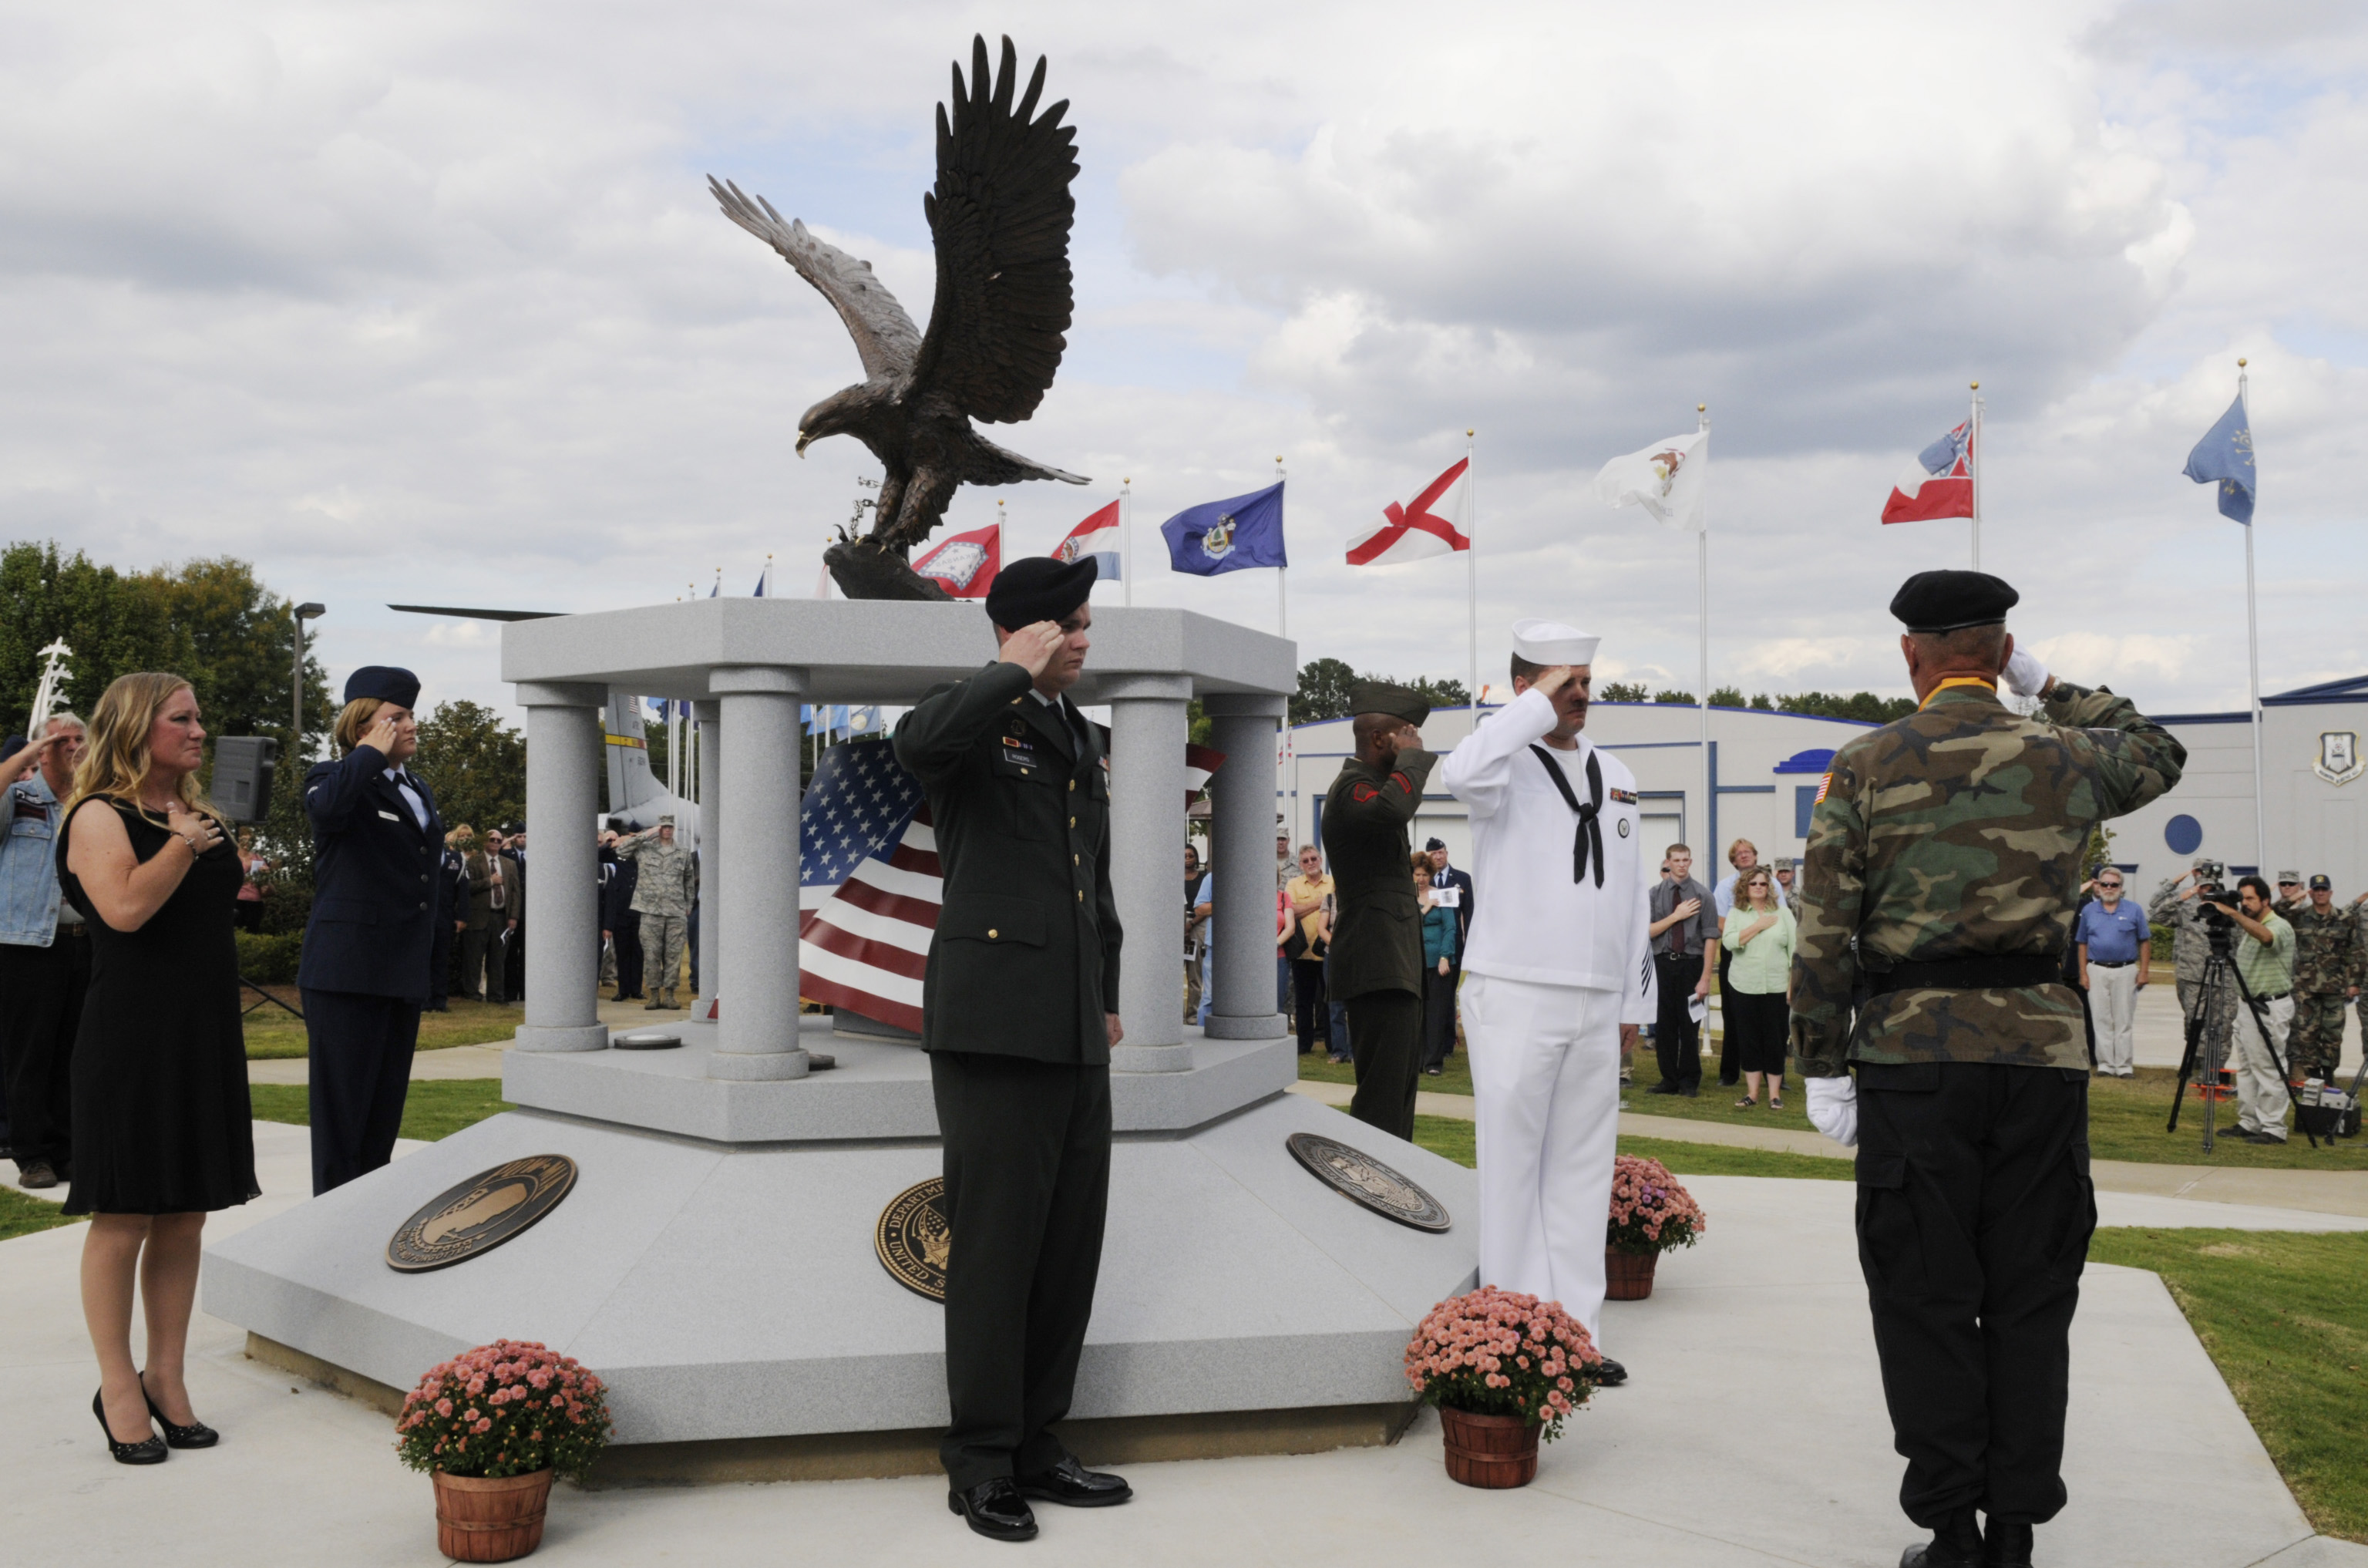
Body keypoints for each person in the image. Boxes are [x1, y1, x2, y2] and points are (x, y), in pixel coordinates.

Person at [1791, 570, 2183, 1568]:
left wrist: (1822, 1066)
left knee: (1923, 1293)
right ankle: (2014, 1526)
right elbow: (2159, 749)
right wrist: (2046, 681)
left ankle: (1951, 1528)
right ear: (2002, 649)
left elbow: (1826, 927)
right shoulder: (2064, 752)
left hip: (1913, 1061)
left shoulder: (1868, 762)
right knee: (2030, 1290)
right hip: (2040, 1058)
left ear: (1910, 653)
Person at [892, 554, 1130, 1543]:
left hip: (1073, 1021)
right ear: (1026, 631)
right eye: (1070, 623)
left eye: (1084, 623)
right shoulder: (973, 710)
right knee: (995, 1249)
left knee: (1068, 1245)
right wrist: (1011, 672)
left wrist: (1107, 994)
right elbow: (918, 747)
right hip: (994, 1020)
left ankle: (1039, 1442)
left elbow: (1092, 882)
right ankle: (982, 1460)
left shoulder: (1077, 732)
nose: (1084, 637)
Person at [1440, 617, 1653, 1390]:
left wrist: (1634, 998)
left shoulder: (1619, 771)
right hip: (1516, 989)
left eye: (1589, 685)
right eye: (1569, 686)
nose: (1582, 699)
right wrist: (1532, 704)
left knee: (1582, 1170)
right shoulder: (1500, 767)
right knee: (1513, 1166)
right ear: (1528, 688)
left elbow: (1630, 898)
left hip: (1597, 998)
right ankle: (1518, 1328)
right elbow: (1458, 770)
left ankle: (1577, 1334)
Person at [59, 672, 256, 1464]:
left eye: (200, 717)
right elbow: (126, 909)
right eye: (183, 718)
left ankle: (165, 1376)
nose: (199, 729)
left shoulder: (202, 816)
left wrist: (205, 846)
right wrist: (183, 844)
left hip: (203, 1034)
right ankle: (116, 1387)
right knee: (125, 1213)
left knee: (186, 1211)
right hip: (130, 1039)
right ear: (139, 727)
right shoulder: (97, 814)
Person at [298, 667, 446, 1196]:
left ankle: (364, 1224)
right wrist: (368, 753)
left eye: (411, 715)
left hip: (398, 972)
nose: (411, 725)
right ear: (364, 724)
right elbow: (329, 808)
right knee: (343, 1123)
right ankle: (332, 1232)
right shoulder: (333, 777)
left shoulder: (415, 788)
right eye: (397, 717)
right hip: (348, 971)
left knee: (381, 1121)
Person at [1320, 681, 1438, 1139]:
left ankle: (1391, 1192)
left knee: (1398, 1095)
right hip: (1376, 961)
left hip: (1394, 961)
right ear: (1378, 739)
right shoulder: (1351, 789)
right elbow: (1393, 809)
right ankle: (1369, 1197)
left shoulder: (1370, 785)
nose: (1416, 742)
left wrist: (1406, 758)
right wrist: (1412, 761)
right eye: (1406, 733)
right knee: (1381, 1099)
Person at [0, 712, 89, 1189]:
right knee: (29, 1052)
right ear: (41, 749)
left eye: (78, 739)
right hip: (27, 943)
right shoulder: (19, 796)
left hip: (84, 942)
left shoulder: (91, 803)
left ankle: (65, 1150)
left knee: (72, 1052)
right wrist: (26, 756)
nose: (71, 746)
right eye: (60, 740)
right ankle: (31, 1153)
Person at [2221, 874, 2296, 1145]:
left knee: (2268, 1067)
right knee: (2247, 1068)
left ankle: (2274, 1128)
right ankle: (2250, 1121)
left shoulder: (2279, 925)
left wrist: (2234, 914)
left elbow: (2267, 938)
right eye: (2242, 899)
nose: (2245, 904)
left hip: (2269, 1006)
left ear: (2266, 900)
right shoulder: (2249, 927)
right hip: (2247, 1006)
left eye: (2251, 898)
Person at [1646, 843, 1717, 1097]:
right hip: (1663, 963)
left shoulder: (1703, 895)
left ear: (1691, 861)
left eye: (1686, 859)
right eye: (1676, 860)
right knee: (1664, 1025)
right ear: (1668, 862)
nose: (1681, 864)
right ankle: (1669, 1079)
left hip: (1691, 964)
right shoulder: (1654, 895)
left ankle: (1689, 1080)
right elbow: (1648, 931)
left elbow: (1711, 937)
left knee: (1690, 1025)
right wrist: (1676, 916)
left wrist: (1705, 977)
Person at [1720, 863, 1794, 1109]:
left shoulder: (1783, 914)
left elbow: (1794, 952)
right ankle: (1752, 1094)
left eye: (1764, 883)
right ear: (1746, 887)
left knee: (1776, 1039)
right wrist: (1757, 926)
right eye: (1754, 884)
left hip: (1777, 986)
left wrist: (1792, 985)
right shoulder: (1737, 913)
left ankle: (1774, 1095)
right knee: (1749, 1040)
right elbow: (1730, 942)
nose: (1759, 887)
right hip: (1744, 986)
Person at [2150, 861, 2236, 1073]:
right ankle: (2197, 1064)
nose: (2206, 892)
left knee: (2222, 1025)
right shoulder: (2187, 907)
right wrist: (2182, 897)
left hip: (2223, 976)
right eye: (2202, 887)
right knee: (2194, 1022)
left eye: (2210, 888)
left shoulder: (2229, 908)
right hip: (2192, 976)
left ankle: (2216, 1069)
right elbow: (2157, 916)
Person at [2074, 870, 2149, 1077]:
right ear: (2098, 886)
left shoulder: (2134, 910)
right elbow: (2082, 943)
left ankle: (2124, 1066)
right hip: (2096, 969)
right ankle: (2106, 1064)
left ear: (2121, 887)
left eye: (2113, 885)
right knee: (2101, 1019)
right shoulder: (2089, 911)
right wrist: (2083, 973)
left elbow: (2144, 941)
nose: (2108, 888)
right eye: (2105, 884)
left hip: (2125, 970)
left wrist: (2143, 971)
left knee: (2123, 1020)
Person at [617, 816, 697, 1009]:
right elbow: (621, 850)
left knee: (673, 955)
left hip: (675, 912)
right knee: (651, 954)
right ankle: (654, 994)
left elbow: (688, 880)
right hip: (650, 911)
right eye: (663, 827)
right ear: (658, 829)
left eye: (670, 827)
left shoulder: (683, 852)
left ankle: (669, 994)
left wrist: (688, 904)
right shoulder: (645, 849)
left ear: (674, 829)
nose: (667, 830)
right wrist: (647, 834)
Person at [2286, 873, 2357, 1085]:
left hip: (2334, 988)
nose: (2320, 893)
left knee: (2333, 1035)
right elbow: (2274, 912)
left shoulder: (2345, 919)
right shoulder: (2299, 917)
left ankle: (2328, 1076)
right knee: (2307, 1035)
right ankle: (2313, 1077)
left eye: (2323, 889)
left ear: (2330, 892)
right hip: (2305, 989)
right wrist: (2294, 897)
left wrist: (2354, 982)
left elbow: (2356, 952)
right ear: (2311, 892)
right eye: (2315, 890)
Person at [1712, 837, 1762, 1085]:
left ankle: (1771, 1072)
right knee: (1732, 1014)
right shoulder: (1724, 887)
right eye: (1738, 853)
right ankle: (1729, 1073)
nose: (1744, 856)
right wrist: (1747, 935)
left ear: (1755, 856)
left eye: (1748, 852)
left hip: (1766, 954)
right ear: (1733, 860)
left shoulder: (1769, 883)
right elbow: (1720, 924)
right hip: (1734, 953)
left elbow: (1781, 917)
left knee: (1766, 1014)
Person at [1425, 837, 1475, 1060]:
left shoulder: (1462, 879)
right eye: (1433, 853)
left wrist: (1471, 945)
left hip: (1453, 945)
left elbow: (1470, 914)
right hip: (1429, 948)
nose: (1438, 856)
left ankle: (1447, 1044)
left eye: (1441, 852)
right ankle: (1431, 1042)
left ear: (1447, 853)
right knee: (1432, 997)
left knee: (1447, 996)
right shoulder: (1424, 880)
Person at [1284, 845, 1333, 1055]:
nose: (1311, 863)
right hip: (1302, 952)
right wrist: (1322, 902)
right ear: (1300, 865)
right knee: (1303, 1002)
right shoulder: (1293, 884)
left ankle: (1334, 1045)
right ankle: (1304, 1045)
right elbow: (1291, 912)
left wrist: (1309, 906)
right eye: (1306, 860)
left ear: (1320, 859)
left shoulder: (1333, 882)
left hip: (1329, 952)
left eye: (1314, 858)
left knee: (1330, 1000)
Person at [1416, 850, 1460, 1075]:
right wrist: (1426, 907)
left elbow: (1451, 928)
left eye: (1425, 874)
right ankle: (1417, 1060)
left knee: (1436, 1012)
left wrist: (1445, 956)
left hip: (1439, 961)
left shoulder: (1443, 895)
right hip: (1414, 962)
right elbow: (1409, 926)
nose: (1421, 879)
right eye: (1417, 874)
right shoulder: (1406, 898)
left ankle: (1433, 1062)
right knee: (1417, 1012)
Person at [603, 823, 646, 1001]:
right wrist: (617, 841)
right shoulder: (617, 855)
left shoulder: (644, 855)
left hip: (640, 910)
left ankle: (636, 989)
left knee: (637, 952)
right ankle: (623, 990)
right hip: (621, 910)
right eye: (631, 837)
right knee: (622, 951)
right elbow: (600, 853)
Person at [1182, 843, 1204, 1025]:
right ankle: (1173, 1015)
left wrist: (1191, 924)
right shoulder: (1173, 878)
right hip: (1175, 927)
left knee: (1195, 974)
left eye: (1191, 855)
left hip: (1197, 925)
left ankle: (1192, 1015)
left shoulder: (1203, 879)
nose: (1188, 859)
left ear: (1196, 858)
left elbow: (1208, 904)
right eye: (1184, 856)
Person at [233, 830, 269, 934]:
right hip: (236, 901)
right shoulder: (233, 857)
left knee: (252, 933)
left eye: (250, 840)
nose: (247, 843)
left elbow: (264, 884)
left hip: (255, 903)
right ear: (238, 840)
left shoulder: (258, 858)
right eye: (244, 839)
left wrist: (266, 875)